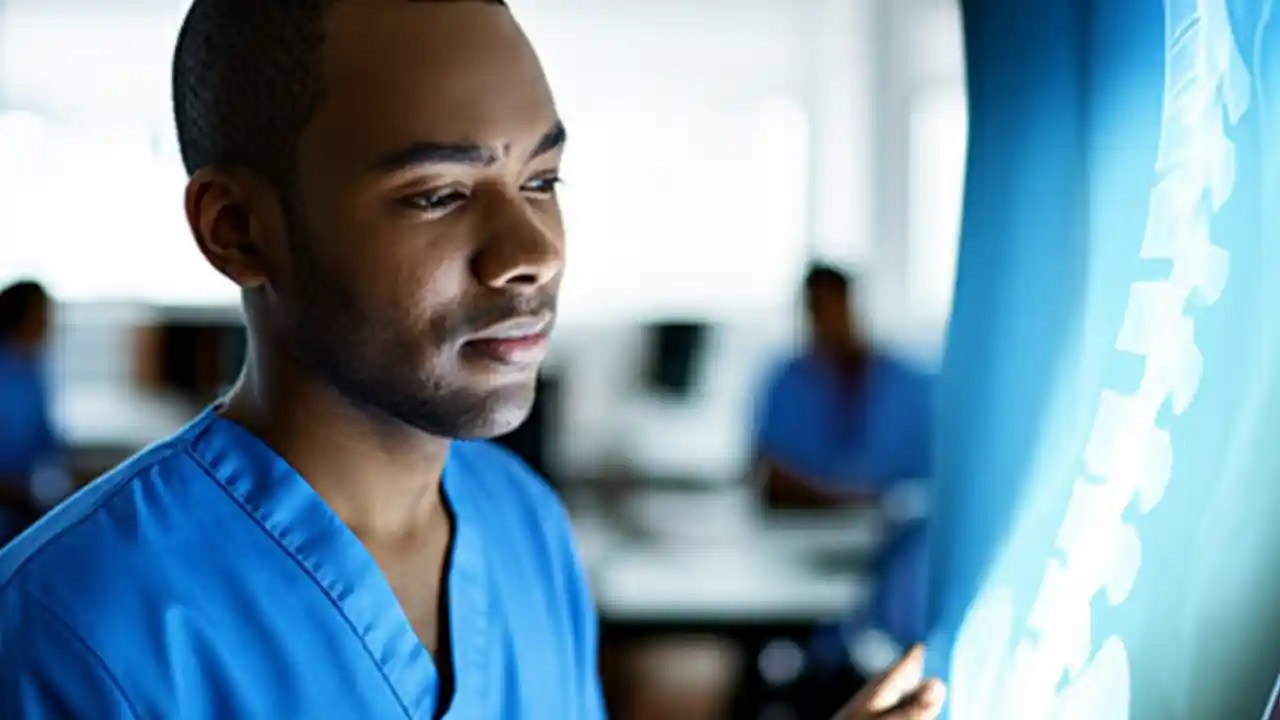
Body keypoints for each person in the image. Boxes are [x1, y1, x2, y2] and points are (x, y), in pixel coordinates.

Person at [0, 2, 944, 718]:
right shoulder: (71, 632)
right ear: (240, 230)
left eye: (541, 180)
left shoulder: (523, 525)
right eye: (440, 194)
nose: (531, 248)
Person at [756, 264, 934, 509]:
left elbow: (930, 475)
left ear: (851, 305)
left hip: (894, 530)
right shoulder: (788, 382)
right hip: (810, 527)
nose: (826, 321)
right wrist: (841, 497)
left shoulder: (907, 384)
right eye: (816, 309)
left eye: (833, 307)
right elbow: (770, 474)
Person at [0, 280, 56, 540]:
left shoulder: (33, 368)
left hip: (28, 503)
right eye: (42, 314)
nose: (49, 324)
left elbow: (45, 440)